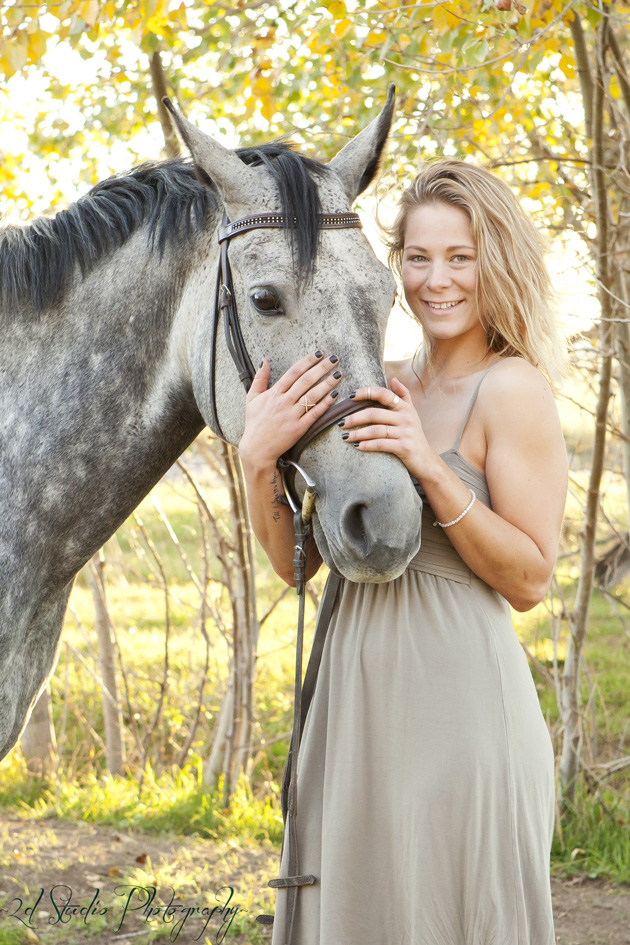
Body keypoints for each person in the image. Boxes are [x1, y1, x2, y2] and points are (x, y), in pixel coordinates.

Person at [238, 159, 568, 945]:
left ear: (498, 260)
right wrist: (257, 460)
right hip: (349, 704)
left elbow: (530, 577)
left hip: (459, 711)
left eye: (461, 256)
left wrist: (427, 464)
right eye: (418, 257)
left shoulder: (512, 389)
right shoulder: (371, 380)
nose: (437, 280)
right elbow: (296, 563)